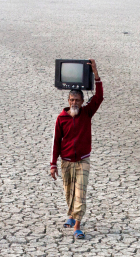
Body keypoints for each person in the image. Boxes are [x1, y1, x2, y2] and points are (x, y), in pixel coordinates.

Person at [49, 59, 103, 239]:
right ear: (68, 100)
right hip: (66, 161)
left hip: (82, 161)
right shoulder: (61, 118)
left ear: (82, 101)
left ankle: (77, 225)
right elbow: (56, 141)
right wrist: (53, 164)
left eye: (77, 100)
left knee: (80, 193)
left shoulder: (87, 113)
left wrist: (96, 74)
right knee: (69, 191)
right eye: (72, 99)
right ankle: (71, 215)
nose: (74, 103)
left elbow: (99, 97)